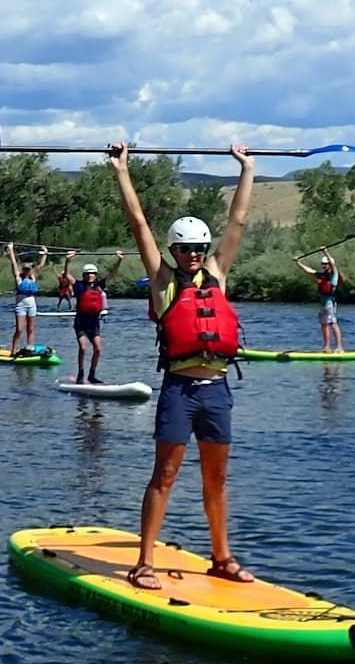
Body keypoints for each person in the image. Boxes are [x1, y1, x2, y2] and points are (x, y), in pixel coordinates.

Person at [109, 142, 257, 591]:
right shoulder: (162, 279)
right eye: (186, 248)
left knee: (217, 478)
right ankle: (144, 562)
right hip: (179, 391)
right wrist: (121, 170)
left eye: (199, 247)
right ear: (174, 250)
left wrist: (247, 169)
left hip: (217, 391)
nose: (193, 254)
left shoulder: (217, 273)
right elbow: (138, 223)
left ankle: (221, 557)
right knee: (166, 475)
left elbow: (238, 220)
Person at [71, 251, 127, 384]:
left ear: (96, 276)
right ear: (84, 275)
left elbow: (112, 274)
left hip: (94, 324)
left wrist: (119, 260)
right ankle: (80, 374)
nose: (90, 276)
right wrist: (68, 260)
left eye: (93, 274)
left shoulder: (99, 286)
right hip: (81, 323)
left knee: (98, 348)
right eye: (88, 274)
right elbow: (67, 275)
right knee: (83, 348)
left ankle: (91, 375)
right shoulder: (79, 286)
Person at [294, 248, 345, 352]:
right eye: (323, 264)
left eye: (326, 264)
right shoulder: (322, 275)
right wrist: (298, 263)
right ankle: (327, 347)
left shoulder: (333, 274)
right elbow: (309, 270)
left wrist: (325, 251)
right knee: (323, 324)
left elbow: (333, 263)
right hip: (323, 304)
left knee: (333, 323)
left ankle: (339, 348)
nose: (324, 265)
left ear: (329, 265)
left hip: (330, 303)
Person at [6, 242, 45, 356]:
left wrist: (44, 253)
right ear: (23, 270)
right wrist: (11, 249)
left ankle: (30, 349)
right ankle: (13, 351)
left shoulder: (33, 277)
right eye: (25, 269)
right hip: (21, 306)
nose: (26, 271)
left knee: (30, 330)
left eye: (28, 269)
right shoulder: (19, 278)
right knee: (19, 329)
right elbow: (13, 263)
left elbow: (41, 266)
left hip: (32, 305)